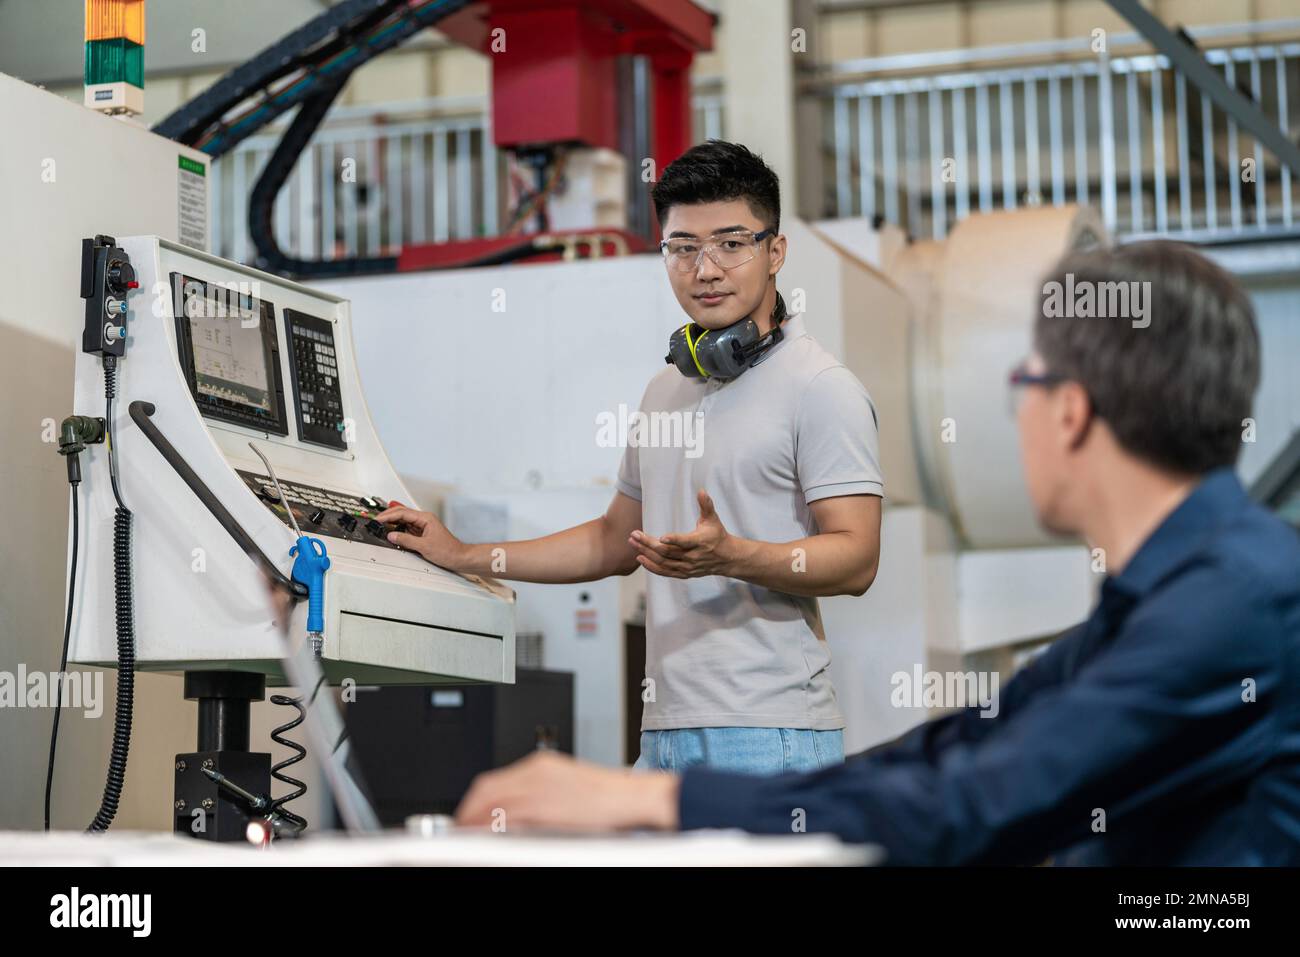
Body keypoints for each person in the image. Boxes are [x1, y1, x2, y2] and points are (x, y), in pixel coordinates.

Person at [454, 239, 1300, 866]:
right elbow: (960, 746)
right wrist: (659, 795)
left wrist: (656, 800)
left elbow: (979, 803)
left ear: (1070, 411)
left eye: (1024, 385)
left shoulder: (1233, 600)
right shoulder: (1174, 593)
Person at [379, 141, 884, 774]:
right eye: (682, 247)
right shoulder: (665, 390)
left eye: (732, 243)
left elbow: (858, 557)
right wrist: (466, 556)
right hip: (664, 731)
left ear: (775, 251)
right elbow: (616, 541)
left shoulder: (819, 386)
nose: (706, 268)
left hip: (771, 731)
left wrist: (735, 557)